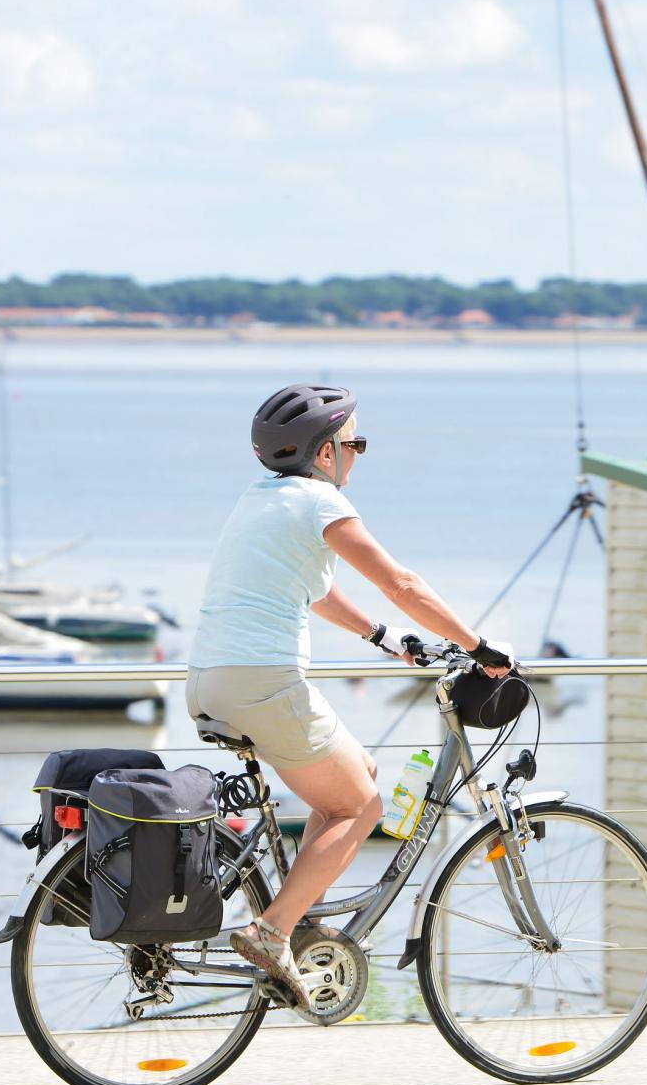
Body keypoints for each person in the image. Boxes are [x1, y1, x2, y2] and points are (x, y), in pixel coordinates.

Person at [186, 384, 512, 1008]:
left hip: (211, 678)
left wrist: (382, 637)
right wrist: (479, 647)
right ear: (326, 452)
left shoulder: (262, 500)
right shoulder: (321, 502)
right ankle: (270, 930)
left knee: (356, 772)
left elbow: (312, 589)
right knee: (362, 809)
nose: (359, 454)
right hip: (262, 681)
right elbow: (403, 582)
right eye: (355, 442)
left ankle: (298, 918)